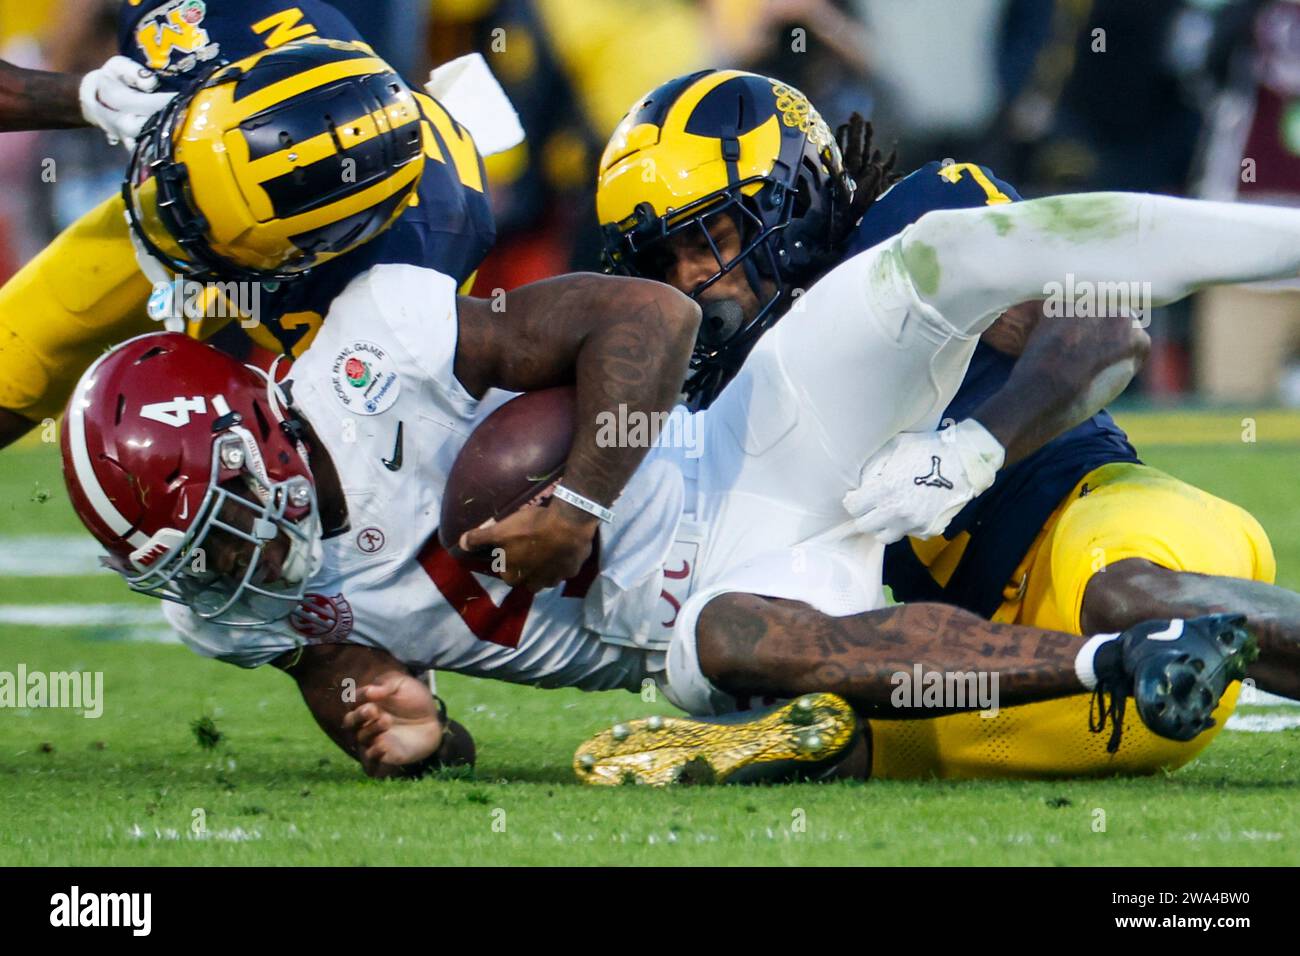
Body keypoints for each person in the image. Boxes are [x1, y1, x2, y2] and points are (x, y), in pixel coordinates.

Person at [63, 167, 1295, 781]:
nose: (230, 564)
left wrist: (582, 501)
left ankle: (1279, 238)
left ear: (257, 432)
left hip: (751, 450)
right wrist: (380, 711)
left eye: (222, 528)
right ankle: (1112, 663)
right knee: (741, 634)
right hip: (689, 605)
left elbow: (648, 321)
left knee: (938, 252)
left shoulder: (376, 344)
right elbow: (330, 648)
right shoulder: (222, 601)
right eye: (195, 559)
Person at [588, 68, 1294, 779]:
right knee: (831, 712)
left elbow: (1104, 325)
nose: (691, 281)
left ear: (787, 196)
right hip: (1013, 666)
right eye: (662, 260)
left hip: (1098, 522)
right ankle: (841, 743)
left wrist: (977, 447)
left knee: (1122, 598)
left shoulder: (909, 240)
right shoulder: (721, 391)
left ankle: (862, 747)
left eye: (708, 236)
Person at [0, 0, 498, 451]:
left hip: (327, 211)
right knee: (16, 348)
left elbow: (572, 321)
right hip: (197, 191)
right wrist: (86, 97)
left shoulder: (403, 265)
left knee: (362, 477)